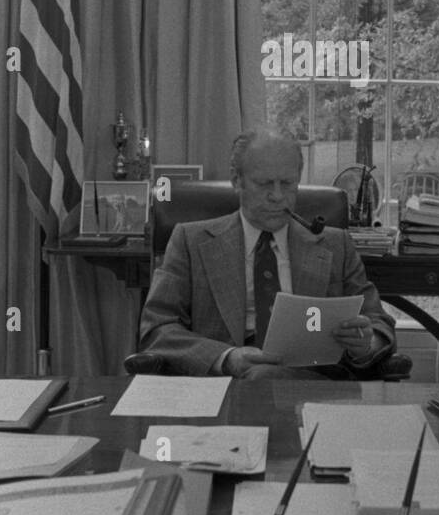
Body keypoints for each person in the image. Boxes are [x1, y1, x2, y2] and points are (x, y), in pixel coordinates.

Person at [133, 128, 396, 378]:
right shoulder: (190, 241)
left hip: (313, 383)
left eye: (287, 183)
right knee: (261, 376)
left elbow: (379, 323)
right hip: (223, 386)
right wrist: (226, 358)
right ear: (237, 181)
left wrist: (366, 343)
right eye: (264, 184)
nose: (278, 196)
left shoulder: (336, 245)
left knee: (266, 377)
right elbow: (157, 329)